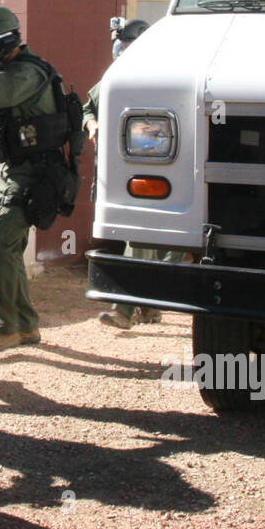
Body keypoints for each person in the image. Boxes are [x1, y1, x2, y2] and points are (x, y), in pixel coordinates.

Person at [0, 5, 77, 351]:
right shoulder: (14, 69)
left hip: (37, 173)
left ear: (4, 40)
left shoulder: (26, 74)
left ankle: (6, 326)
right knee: (11, 248)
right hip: (19, 169)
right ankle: (25, 326)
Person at [83, 17, 179, 329]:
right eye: (119, 44)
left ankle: (124, 309)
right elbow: (89, 105)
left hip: (165, 179)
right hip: (131, 179)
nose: (121, 50)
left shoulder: (167, 79)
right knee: (141, 240)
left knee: (159, 246)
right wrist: (92, 125)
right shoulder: (116, 77)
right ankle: (148, 306)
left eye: (127, 44)